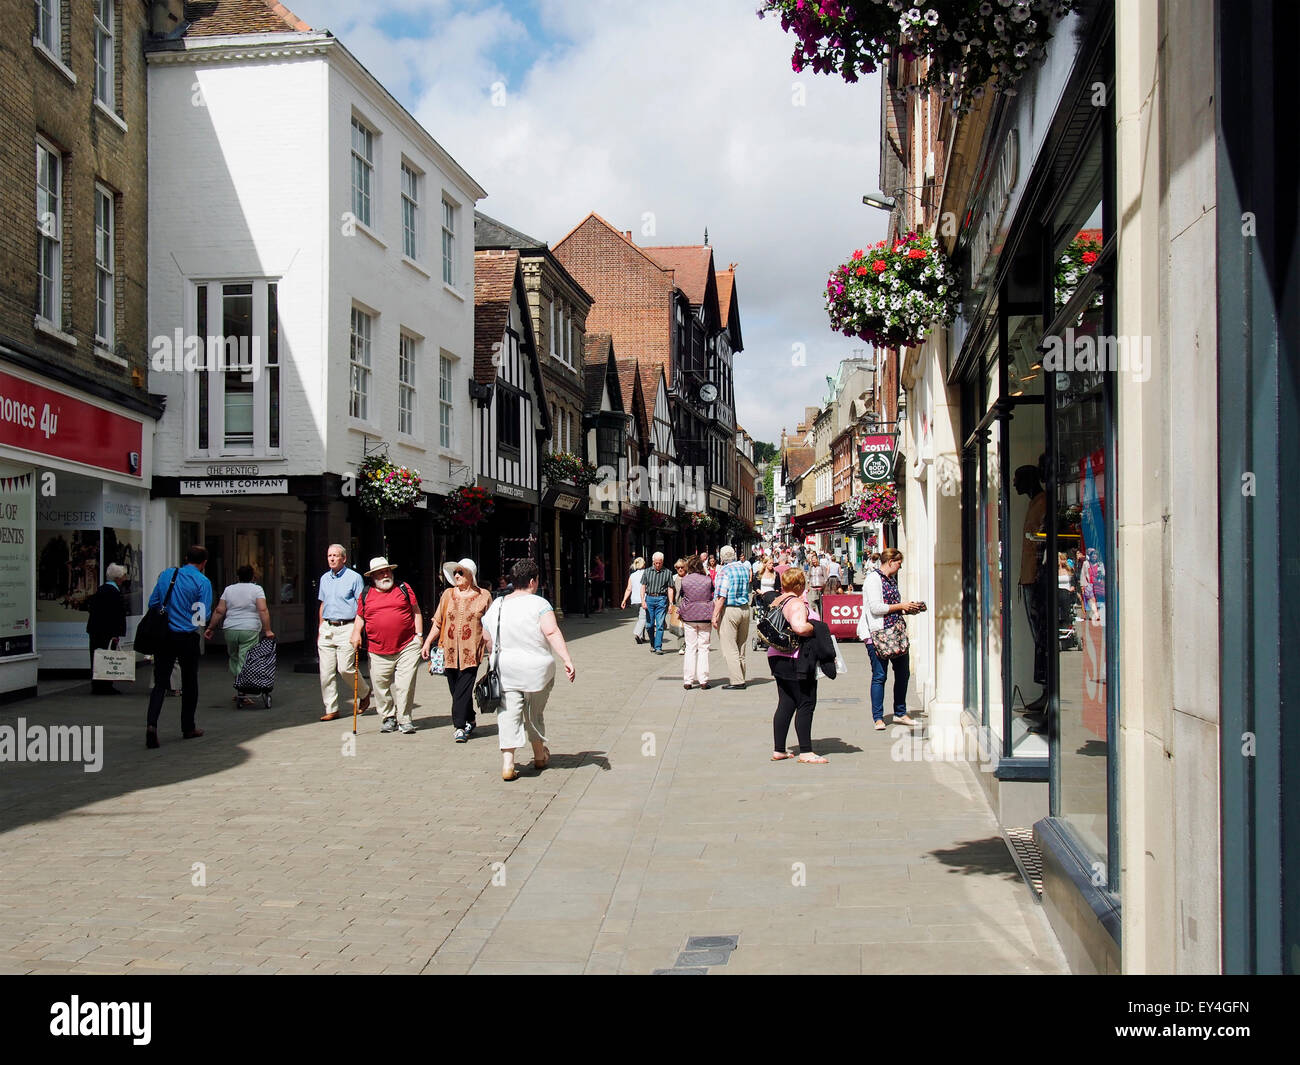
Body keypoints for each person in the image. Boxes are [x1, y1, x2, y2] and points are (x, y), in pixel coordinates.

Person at [482, 559, 576, 781]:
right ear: (533, 581)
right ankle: (539, 754)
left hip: (506, 668)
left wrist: (493, 655)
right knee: (535, 712)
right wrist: (567, 659)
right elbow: (552, 632)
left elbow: (486, 637)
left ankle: (508, 763)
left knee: (508, 713)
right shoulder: (539, 604)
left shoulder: (498, 604)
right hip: (538, 669)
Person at [144, 546, 213, 749]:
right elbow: (202, 616)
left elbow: (153, 602)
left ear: (185, 558)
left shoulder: (167, 575)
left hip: (164, 636)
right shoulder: (202, 581)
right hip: (187, 636)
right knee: (190, 681)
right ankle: (188, 726)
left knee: (160, 682)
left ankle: (151, 724)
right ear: (204, 563)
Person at [351, 557, 423, 734]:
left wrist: (419, 636)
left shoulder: (403, 588)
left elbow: (416, 612)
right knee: (380, 684)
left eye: (387, 571)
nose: (385, 575)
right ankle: (388, 717)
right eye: (381, 572)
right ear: (373, 576)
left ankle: (405, 719)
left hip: (407, 646)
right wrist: (355, 633)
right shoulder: (366, 594)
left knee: (405, 684)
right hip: (377, 649)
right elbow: (360, 617)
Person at [424, 557, 492, 742]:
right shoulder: (447, 594)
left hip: (472, 653)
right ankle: (470, 718)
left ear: (471, 575)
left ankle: (460, 726)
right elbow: (438, 622)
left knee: (463, 689)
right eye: (455, 572)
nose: (457, 575)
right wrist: (427, 642)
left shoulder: (484, 595)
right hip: (449, 652)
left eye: (461, 572)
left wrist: (493, 650)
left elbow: (490, 626)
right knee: (456, 690)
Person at [766, 568, 826, 763]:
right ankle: (806, 751)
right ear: (800, 585)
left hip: (776, 656)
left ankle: (779, 749)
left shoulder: (778, 600)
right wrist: (815, 627)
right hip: (795, 658)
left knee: (786, 702)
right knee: (806, 702)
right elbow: (799, 627)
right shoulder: (796, 603)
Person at [860, 547, 922, 730]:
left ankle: (900, 712)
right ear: (890, 562)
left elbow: (890, 606)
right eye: (899, 564)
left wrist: (907, 608)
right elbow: (876, 608)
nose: (900, 567)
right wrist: (900, 605)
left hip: (896, 633)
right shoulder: (873, 579)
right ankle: (877, 717)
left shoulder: (890, 580)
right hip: (878, 634)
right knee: (880, 675)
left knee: (903, 673)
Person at [204, 565, 273, 707]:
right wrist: (267, 630)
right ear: (253, 576)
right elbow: (263, 609)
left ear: (238, 576)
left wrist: (210, 627)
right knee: (245, 659)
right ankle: (243, 691)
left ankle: (239, 686)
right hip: (249, 628)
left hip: (230, 628)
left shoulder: (229, 589)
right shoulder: (257, 589)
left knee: (234, 657)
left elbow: (219, 610)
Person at [318, 543, 371, 722]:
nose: (332, 559)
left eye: (335, 556)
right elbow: (323, 604)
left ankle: (364, 692)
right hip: (327, 627)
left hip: (347, 626)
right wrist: (320, 627)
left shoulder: (354, 578)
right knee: (325, 672)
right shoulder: (324, 578)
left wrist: (357, 631)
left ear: (344, 558)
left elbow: (361, 606)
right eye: (329, 556)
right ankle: (331, 708)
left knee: (345, 668)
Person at [1014, 464, 1050, 713]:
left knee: (1043, 639)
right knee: (1039, 639)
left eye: (1017, 479)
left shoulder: (1043, 502)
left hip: (1037, 580)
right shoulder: (1034, 503)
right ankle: (1046, 694)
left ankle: (1049, 695)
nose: (1014, 483)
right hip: (1029, 579)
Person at [712, 545, 752, 690]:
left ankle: (737, 681)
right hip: (745, 609)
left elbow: (722, 596)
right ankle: (741, 676)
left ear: (722, 558)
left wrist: (715, 615)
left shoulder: (724, 571)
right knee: (741, 646)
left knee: (730, 647)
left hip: (730, 610)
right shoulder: (744, 568)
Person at [86, 563, 129, 695]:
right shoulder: (114, 593)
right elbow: (116, 615)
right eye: (123, 576)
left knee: (97, 657)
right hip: (107, 631)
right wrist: (117, 633)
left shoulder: (101, 590)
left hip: (95, 629)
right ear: (117, 578)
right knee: (108, 656)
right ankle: (105, 685)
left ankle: (97, 684)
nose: (125, 579)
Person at [678, 555, 715, 689]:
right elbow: (712, 593)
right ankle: (703, 680)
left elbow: (682, 594)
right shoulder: (707, 580)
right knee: (704, 648)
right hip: (705, 615)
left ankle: (688, 680)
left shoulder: (685, 580)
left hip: (689, 616)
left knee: (690, 648)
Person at [640, 552, 673, 655]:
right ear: (653, 562)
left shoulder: (667, 572)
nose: (658, 565)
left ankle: (658, 647)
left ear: (662, 562)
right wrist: (643, 600)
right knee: (649, 625)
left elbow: (670, 588)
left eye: (659, 563)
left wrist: (671, 603)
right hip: (649, 598)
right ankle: (653, 643)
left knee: (659, 624)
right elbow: (643, 587)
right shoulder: (647, 571)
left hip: (661, 599)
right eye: (656, 563)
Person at [620, 556, 648, 644]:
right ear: (644, 564)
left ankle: (642, 636)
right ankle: (637, 633)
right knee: (643, 618)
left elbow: (629, 589)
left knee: (640, 618)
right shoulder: (647, 573)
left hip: (634, 600)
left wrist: (624, 600)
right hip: (644, 599)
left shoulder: (632, 575)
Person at [671, 558, 688, 655]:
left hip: (689, 606)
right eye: (678, 568)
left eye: (682, 567)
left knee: (688, 627)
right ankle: (682, 646)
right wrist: (670, 604)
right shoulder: (673, 578)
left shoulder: (689, 577)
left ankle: (688, 645)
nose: (680, 569)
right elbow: (671, 592)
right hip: (678, 605)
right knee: (680, 627)